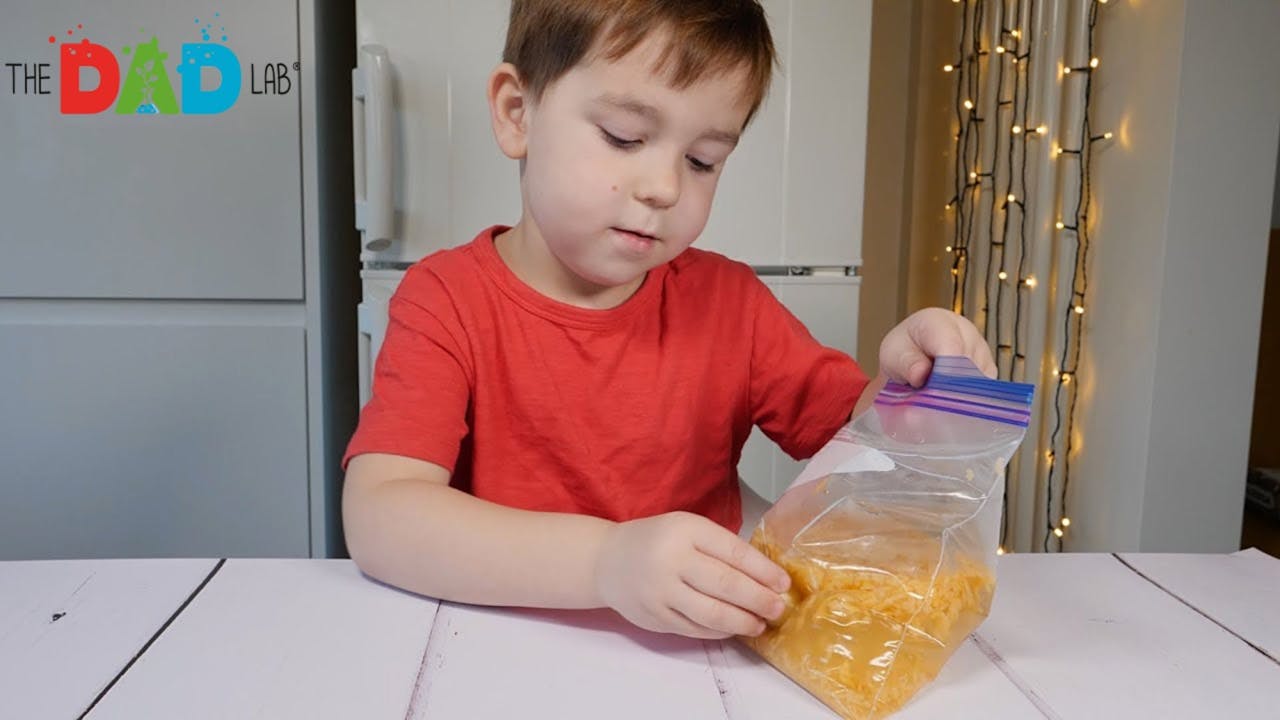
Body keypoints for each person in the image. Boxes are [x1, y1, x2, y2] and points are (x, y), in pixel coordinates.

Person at [342, 0, 996, 642]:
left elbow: (862, 446)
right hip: (494, 648)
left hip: (696, 664)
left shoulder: (729, 305)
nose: (665, 187)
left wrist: (917, 387)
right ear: (519, 113)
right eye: (624, 137)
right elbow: (381, 515)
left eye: (702, 160)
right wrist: (605, 563)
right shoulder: (446, 300)